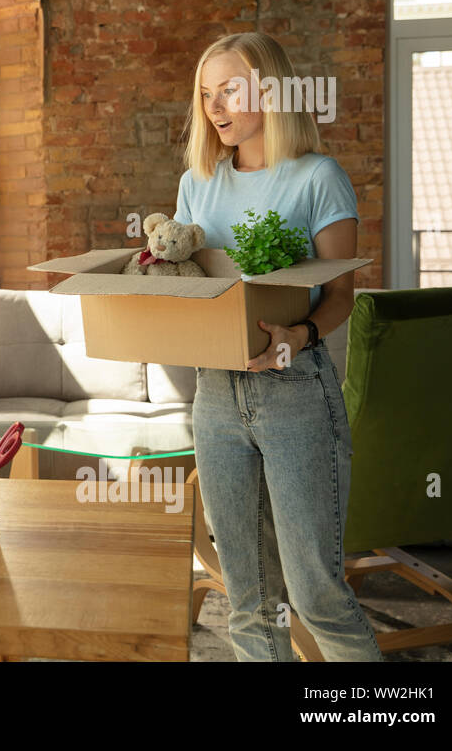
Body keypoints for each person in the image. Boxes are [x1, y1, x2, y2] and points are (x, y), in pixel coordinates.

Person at [173, 32, 382, 661]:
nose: (215, 107)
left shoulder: (319, 178)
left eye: (230, 89)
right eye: (206, 94)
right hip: (215, 395)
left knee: (316, 593)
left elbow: (340, 295)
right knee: (248, 596)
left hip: (295, 395)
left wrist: (300, 334)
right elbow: (192, 282)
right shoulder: (197, 182)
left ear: (273, 89)